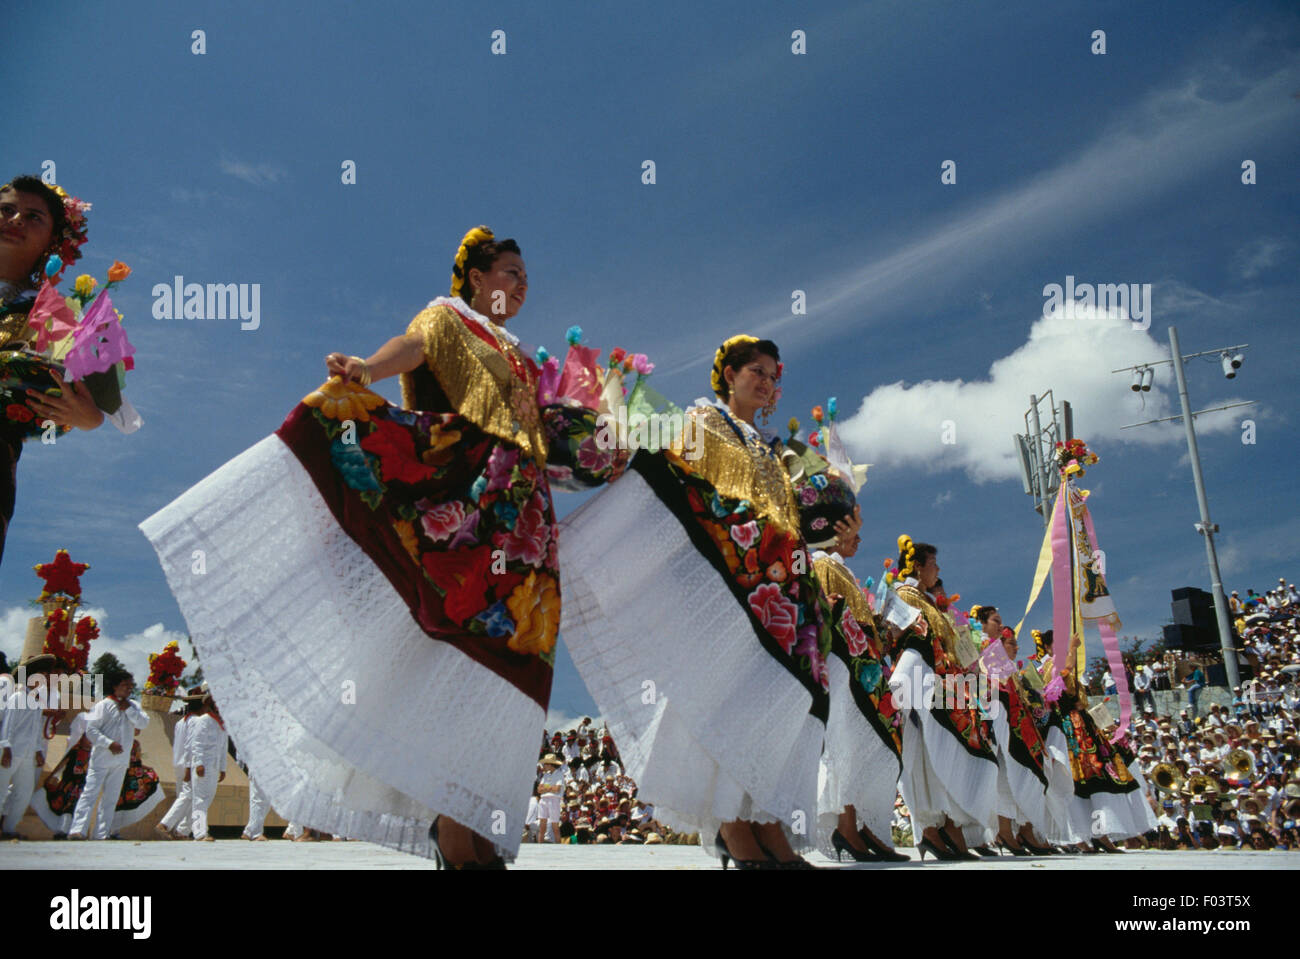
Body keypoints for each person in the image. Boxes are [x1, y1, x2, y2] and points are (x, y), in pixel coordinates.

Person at [141, 226, 626, 868]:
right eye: (509, 271)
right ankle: (456, 831)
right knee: (461, 653)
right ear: (476, 278)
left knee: (513, 657)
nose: (520, 283)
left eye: (526, 276)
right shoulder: (447, 317)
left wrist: (607, 421)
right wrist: (367, 368)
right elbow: (414, 346)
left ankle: (479, 819)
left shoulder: (522, 360)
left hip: (526, 517)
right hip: (470, 497)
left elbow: (551, 435)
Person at [561, 335, 829, 868]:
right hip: (724, 585)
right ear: (728, 374)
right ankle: (734, 826)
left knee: (773, 705)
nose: (766, 382)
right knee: (722, 698)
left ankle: (766, 820)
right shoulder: (704, 422)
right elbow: (674, 484)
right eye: (755, 370)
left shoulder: (775, 451)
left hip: (777, 594)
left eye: (773, 376)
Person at [0, 176, 138, 567]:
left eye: (33, 216)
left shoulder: (54, 313)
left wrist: (87, 417)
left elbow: (108, 410)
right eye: (6, 210)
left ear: (54, 242)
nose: (15, 219)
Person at [794, 452, 909, 863]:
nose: (858, 539)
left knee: (863, 748)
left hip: (863, 669)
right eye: (850, 530)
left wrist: (880, 627)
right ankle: (847, 830)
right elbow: (828, 614)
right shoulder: (824, 564)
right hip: (844, 667)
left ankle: (860, 828)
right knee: (845, 745)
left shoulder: (838, 567)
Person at [888, 539, 999, 860]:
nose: (938, 569)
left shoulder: (928, 601)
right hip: (919, 684)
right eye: (933, 563)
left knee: (941, 752)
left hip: (941, 687)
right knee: (926, 755)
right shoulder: (904, 594)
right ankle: (932, 829)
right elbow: (894, 635)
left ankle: (948, 825)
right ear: (918, 566)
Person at [68, 669, 148, 840]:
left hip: (121, 761)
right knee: (90, 793)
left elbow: (143, 722)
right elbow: (91, 730)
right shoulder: (102, 705)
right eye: (124, 685)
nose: (128, 689)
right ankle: (78, 830)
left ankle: (101, 834)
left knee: (111, 798)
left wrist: (129, 711)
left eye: (130, 685)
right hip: (101, 758)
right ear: (114, 686)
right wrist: (108, 743)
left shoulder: (134, 706)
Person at [0, 654, 63, 837]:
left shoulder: (36, 701)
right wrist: (6, 748)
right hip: (11, 751)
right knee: (1, 789)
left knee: (24, 792)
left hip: (28, 753)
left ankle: (9, 828)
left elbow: (36, 730)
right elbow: (8, 725)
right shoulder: (18, 697)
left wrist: (37, 751)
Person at [156, 688, 204, 839]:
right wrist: (190, 767)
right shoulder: (197, 721)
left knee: (186, 796)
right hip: (189, 763)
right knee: (189, 796)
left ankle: (181, 830)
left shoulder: (181, 722)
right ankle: (166, 824)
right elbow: (191, 745)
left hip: (179, 762)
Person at [187, 692, 228, 842]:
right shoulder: (203, 720)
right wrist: (198, 763)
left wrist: (223, 768)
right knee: (200, 798)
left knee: (207, 798)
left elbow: (224, 748)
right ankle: (199, 833)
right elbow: (196, 743)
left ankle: (200, 829)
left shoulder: (222, 724)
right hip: (203, 765)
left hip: (214, 766)